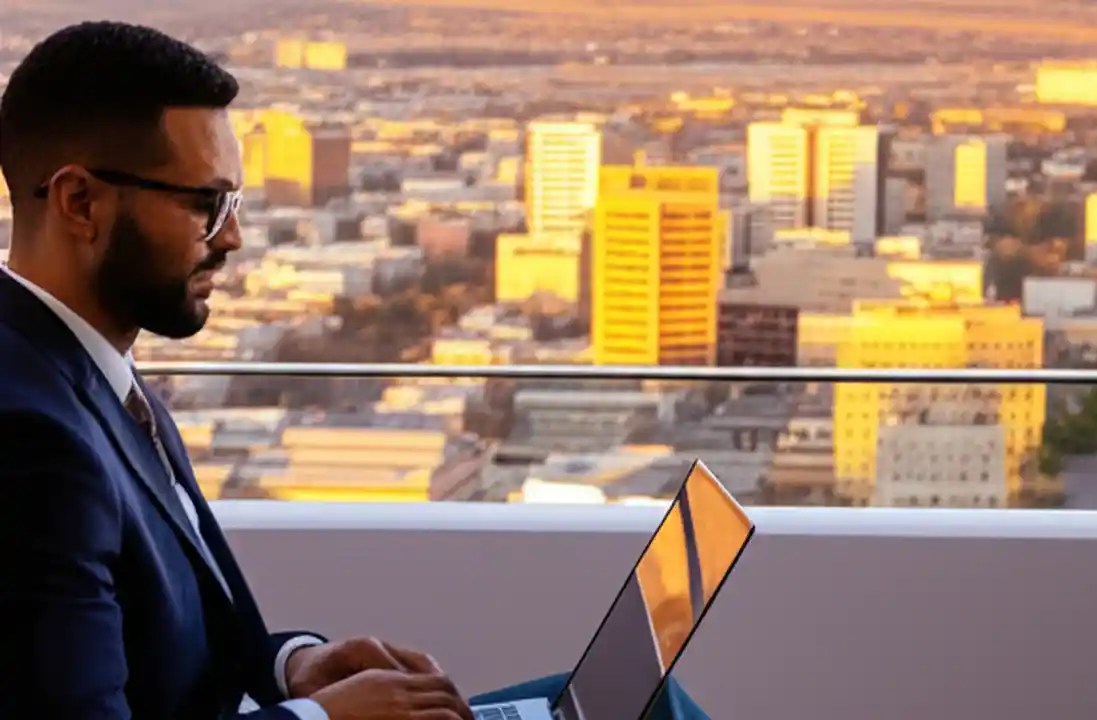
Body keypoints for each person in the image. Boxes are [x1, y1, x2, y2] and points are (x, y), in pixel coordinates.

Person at [0, 21, 708, 720]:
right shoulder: (30, 435)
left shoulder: (85, 373)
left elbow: (182, 659)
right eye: (206, 205)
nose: (233, 237)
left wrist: (298, 667)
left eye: (235, 204)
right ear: (80, 203)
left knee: (637, 705)